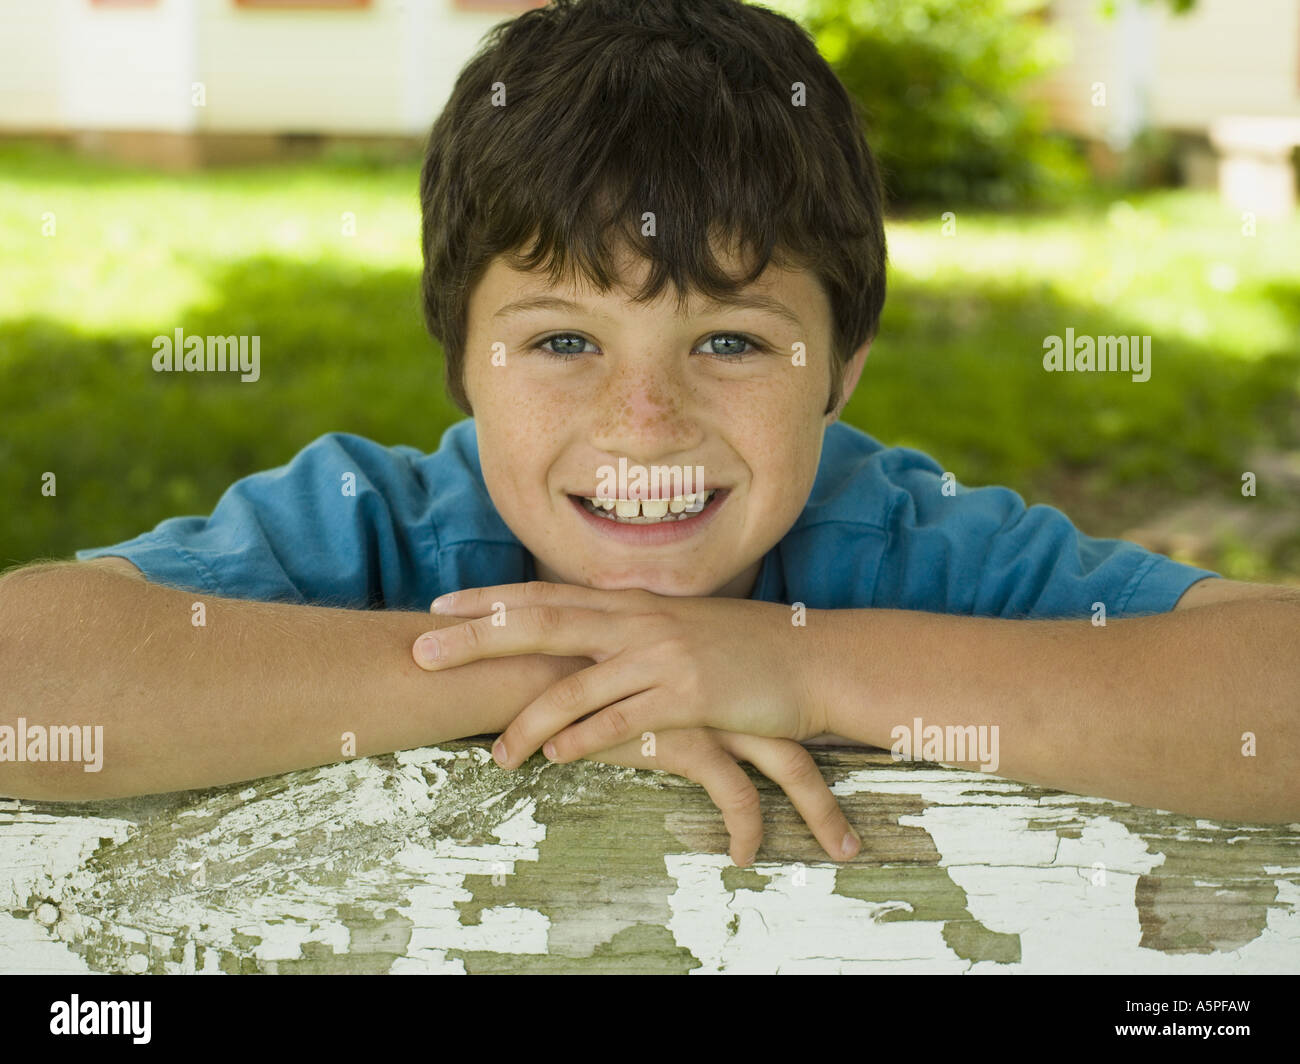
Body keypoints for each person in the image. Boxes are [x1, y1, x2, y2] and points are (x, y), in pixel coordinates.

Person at [4, 0, 1297, 868]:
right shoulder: (375, 523)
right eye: (563, 341)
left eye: (729, 341)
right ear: (461, 361)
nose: (644, 417)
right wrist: (577, 674)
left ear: (842, 369)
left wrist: (799, 667)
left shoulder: (898, 541)